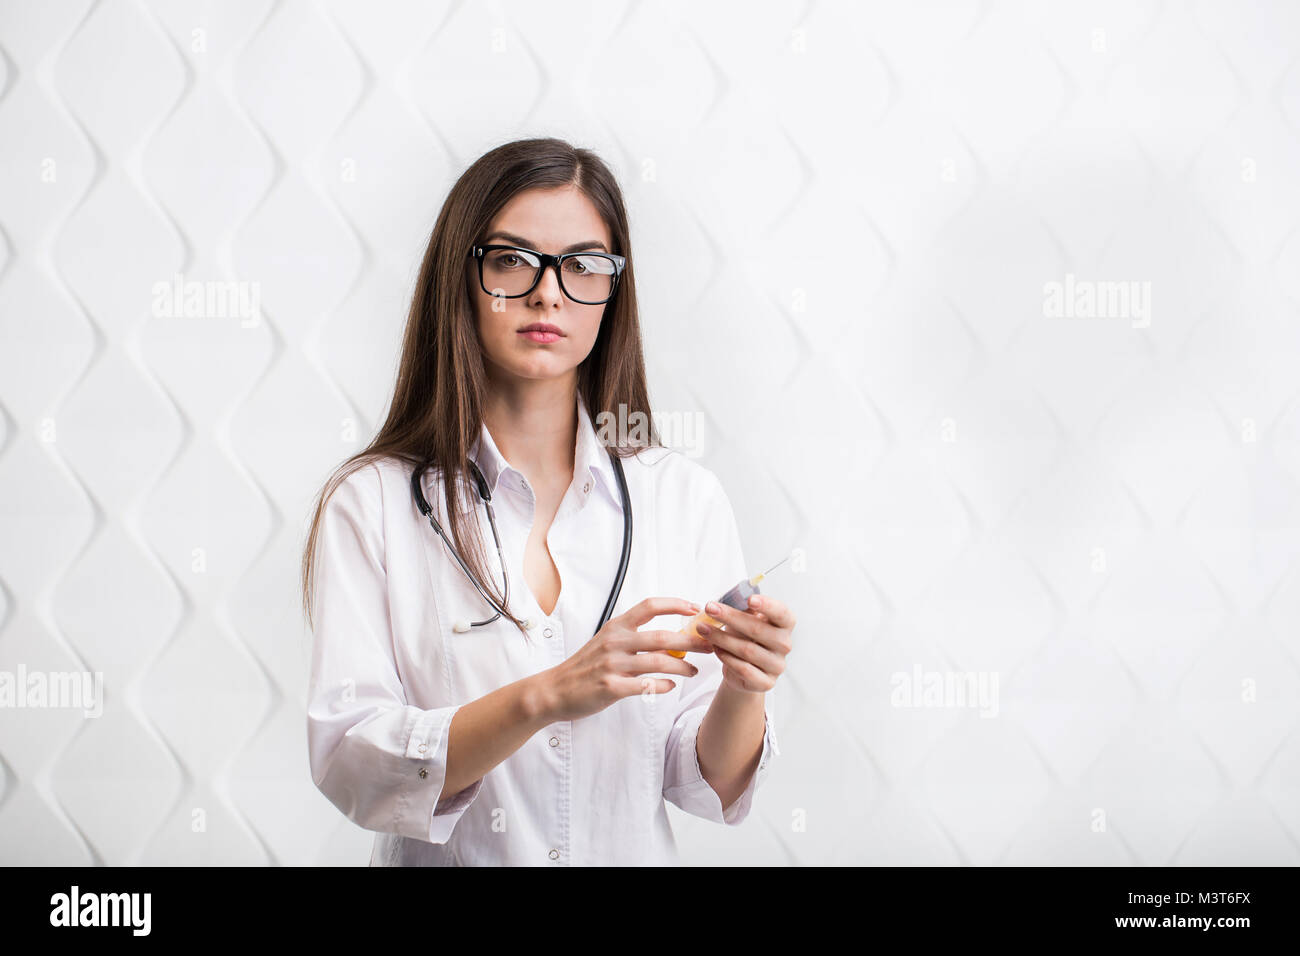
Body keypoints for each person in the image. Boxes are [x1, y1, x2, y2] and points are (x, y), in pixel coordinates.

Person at [300, 137, 796, 865]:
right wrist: (545, 696)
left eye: (583, 265)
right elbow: (353, 764)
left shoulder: (681, 497)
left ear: (612, 289)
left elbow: (708, 779)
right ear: (460, 278)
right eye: (511, 259)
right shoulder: (371, 502)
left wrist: (746, 687)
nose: (547, 292)